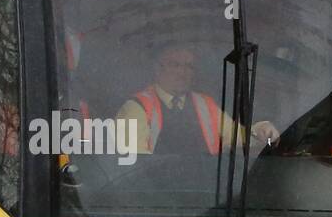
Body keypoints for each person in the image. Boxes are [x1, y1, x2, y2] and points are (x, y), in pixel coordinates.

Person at [118, 41, 279, 156]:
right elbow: (136, 161)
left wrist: (259, 130)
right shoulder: (137, 107)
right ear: (157, 69)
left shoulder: (204, 104)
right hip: (156, 192)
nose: (183, 72)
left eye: (189, 66)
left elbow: (234, 136)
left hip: (208, 191)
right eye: (175, 65)